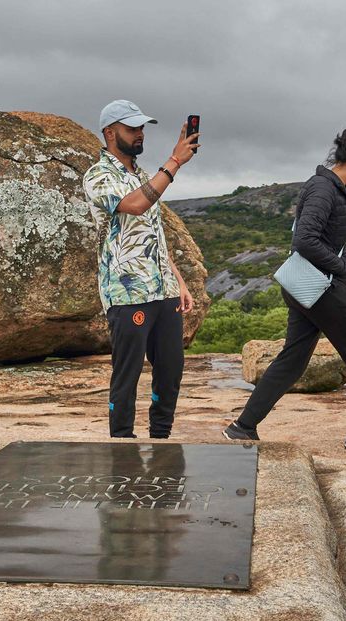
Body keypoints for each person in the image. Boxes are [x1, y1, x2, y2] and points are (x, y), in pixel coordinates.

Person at [223, 127, 346, 451]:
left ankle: (243, 426)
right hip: (318, 287)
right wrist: (341, 267)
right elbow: (304, 240)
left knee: (292, 359)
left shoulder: (328, 187)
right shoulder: (323, 188)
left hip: (307, 287)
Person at [82, 99, 200, 439]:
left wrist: (179, 282)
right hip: (127, 290)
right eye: (132, 128)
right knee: (128, 372)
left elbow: (155, 236)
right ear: (109, 132)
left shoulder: (144, 175)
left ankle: (161, 437)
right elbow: (135, 205)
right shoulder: (98, 176)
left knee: (171, 369)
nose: (139, 134)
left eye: (141, 128)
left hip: (162, 289)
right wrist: (175, 161)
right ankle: (122, 442)